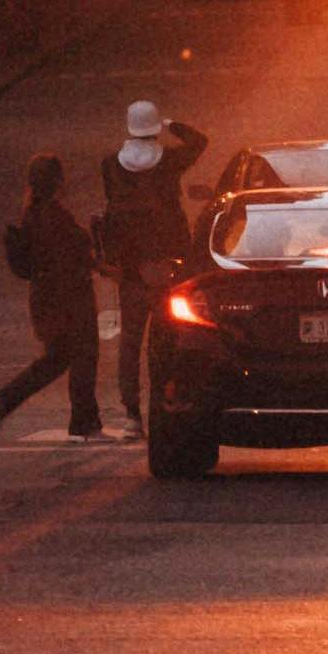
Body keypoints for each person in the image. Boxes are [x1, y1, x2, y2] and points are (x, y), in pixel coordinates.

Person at [96, 96, 207, 428]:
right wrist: (171, 124)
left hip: (130, 269)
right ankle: (163, 402)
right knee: (165, 340)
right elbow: (200, 141)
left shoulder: (110, 165)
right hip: (167, 264)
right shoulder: (170, 160)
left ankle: (131, 413)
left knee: (130, 342)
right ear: (154, 128)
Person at [0, 152, 106, 438]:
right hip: (69, 298)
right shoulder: (54, 216)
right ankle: (83, 421)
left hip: (46, 298)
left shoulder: (33, 213)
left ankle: (5, 400)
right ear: (57, 181)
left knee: (58, 358)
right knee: (84, 356)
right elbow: (74, 252)